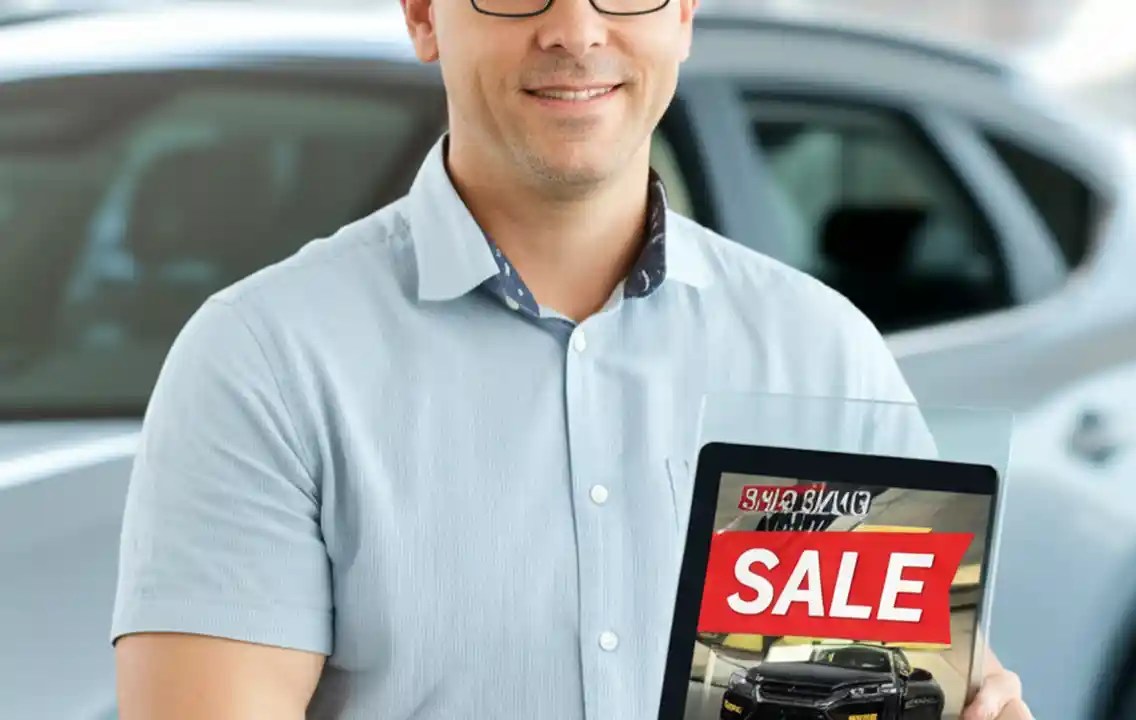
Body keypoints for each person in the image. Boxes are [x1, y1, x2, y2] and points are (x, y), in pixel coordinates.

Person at [110, 0, 1032, 718]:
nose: (574, 30)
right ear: (424, 15)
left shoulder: (820, 353)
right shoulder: (265, 364)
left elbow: (892, 682)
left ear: (683, 14)